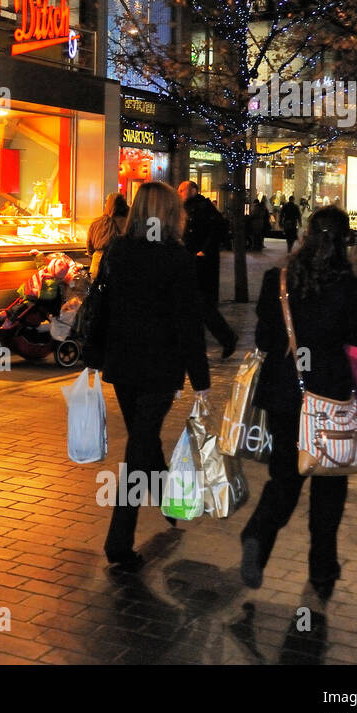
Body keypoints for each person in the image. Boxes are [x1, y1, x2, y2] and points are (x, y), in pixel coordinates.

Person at [239, 206, 357, 601]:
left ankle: (258, 536)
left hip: (285, 397)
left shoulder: (275, 281)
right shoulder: (351, 287)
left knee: (285, 478)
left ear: (306, 236)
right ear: (343, 240)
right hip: (329, 399)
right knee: (329, 486)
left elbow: (263, 340)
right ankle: (323, 569)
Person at [96, 181, 210, 570]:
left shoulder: (119, 250)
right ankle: (118, 542)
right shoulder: (176, 259)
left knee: (142, 441)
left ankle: (166, 498)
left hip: (124, 365)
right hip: (160, 367)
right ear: (169, 214)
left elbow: (102, 306)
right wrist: (201, 378)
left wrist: (96, 355)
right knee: (139, 447)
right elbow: (188, 323)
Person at [177, 180, 238, 358]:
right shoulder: (188, 208)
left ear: (193, 190)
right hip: (192, 260)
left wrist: (204, 250)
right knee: (198, 305)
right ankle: (217, 340)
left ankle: (224, 338)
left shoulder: (203, 207)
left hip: (200, 263)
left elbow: (218, 228)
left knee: (201, 304)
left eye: (182, 190)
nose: (179, 192)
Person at [86, 192, 128, 280]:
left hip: (97, 264)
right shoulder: (128, 223)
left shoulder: (96, 223)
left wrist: (96, 256)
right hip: (119, 265)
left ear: (107, 205)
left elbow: (89, 246)